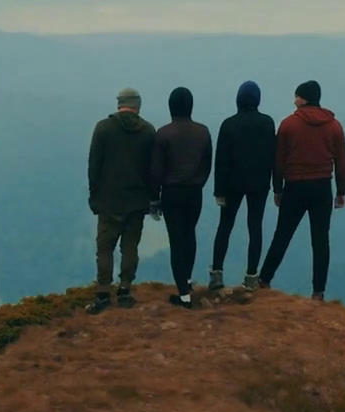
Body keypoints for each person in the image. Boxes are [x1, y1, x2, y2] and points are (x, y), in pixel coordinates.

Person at [256, 79, 345, 301]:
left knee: (282, 235)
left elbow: (279, 161)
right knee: (320, 240)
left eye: (296, 95)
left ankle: (264, 280)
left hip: (295, 186)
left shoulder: (288, 125)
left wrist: (277, 188)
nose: (293, 99)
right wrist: (341, 190)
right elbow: (341, 161)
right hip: (322, 187)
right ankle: (318, 292)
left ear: (303, 99)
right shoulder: (334, 126)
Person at [87, 87, 157, 313]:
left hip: (108, 201)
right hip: (137, 202)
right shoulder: (148, 132)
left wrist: (94, 195)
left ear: (119, 104)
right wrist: (152, 198)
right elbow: (152, 170)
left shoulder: (103, 128)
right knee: (130, 248)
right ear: (138, 106)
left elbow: (94, 167)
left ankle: (103, 293)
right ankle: (125, 290)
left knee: (105, 248)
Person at [209, 80, 276, 292]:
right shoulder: (267, 123)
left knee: (225, 226)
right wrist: (276, 184)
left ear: (238, 99)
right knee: (255, 227)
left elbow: (221, 160)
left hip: (232, 183)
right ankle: (251, 277)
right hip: (259, 184)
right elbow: (273, 156)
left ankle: (216, 274)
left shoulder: (229, 124)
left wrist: (219, 190)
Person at [152, 86, 213, 308]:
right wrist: (199, 183)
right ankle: (186, 280)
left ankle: (183, 294)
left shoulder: (164, 134)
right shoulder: (203, 131)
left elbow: (156, 171)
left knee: (176, 240)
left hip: (172, 193)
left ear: (171, 107)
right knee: (189, 235)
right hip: (195, 192)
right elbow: (207, 164)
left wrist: (154, 198)